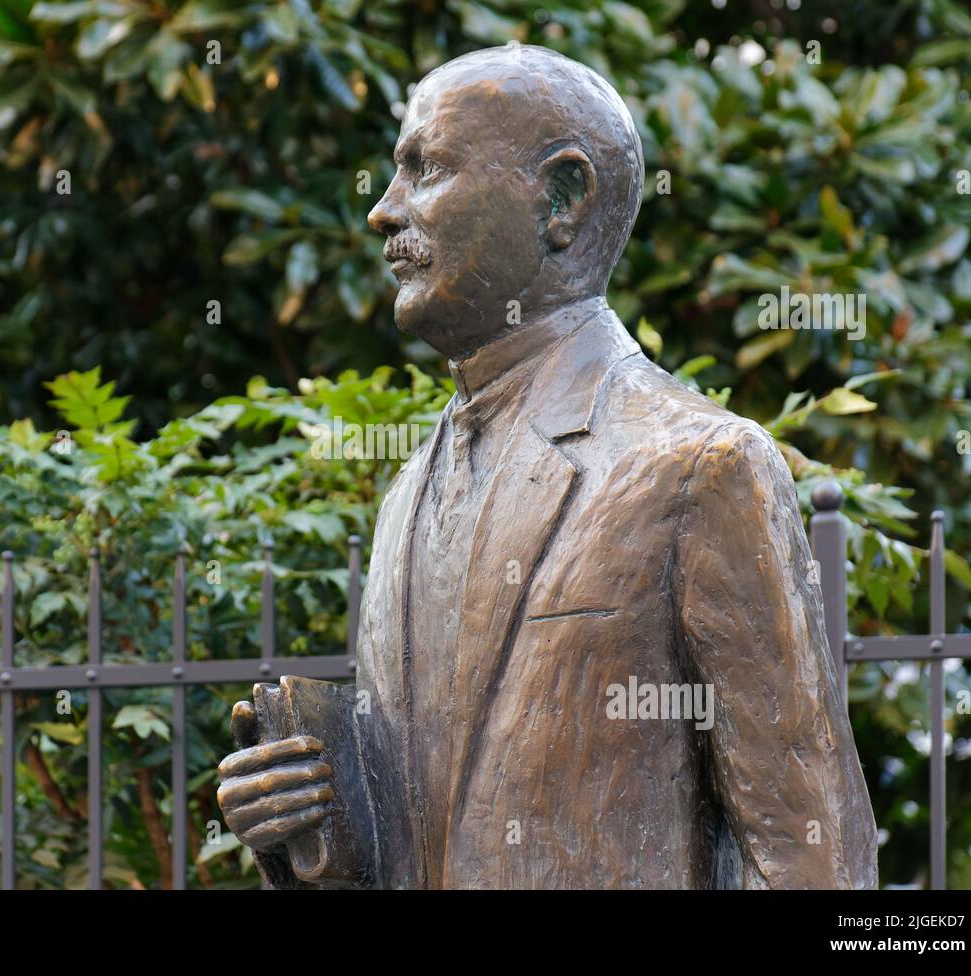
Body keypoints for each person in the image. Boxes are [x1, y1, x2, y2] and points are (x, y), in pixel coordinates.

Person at [217, 44, 878, 889]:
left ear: (562, 200)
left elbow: (814, 856)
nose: (384, 212)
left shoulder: (699, 466)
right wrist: (311, 828)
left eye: (426, 169)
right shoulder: (405, 496)